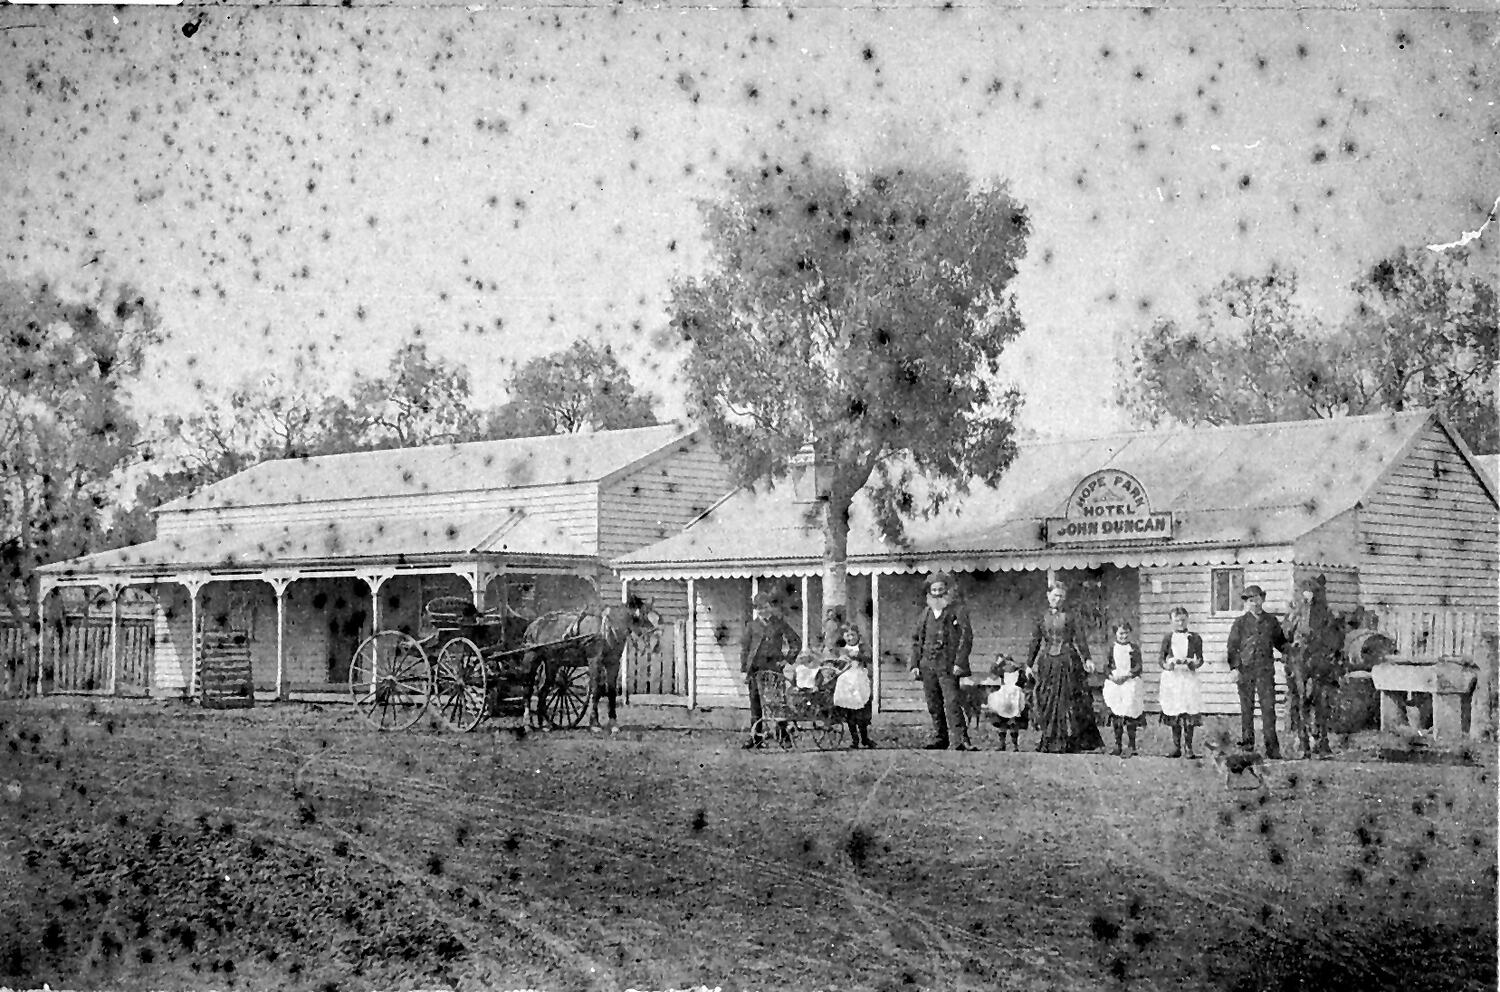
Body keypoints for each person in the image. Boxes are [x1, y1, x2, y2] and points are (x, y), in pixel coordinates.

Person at [1025, 582, 1105, 754]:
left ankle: (1071, 741)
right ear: (1048, 596)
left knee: (1069, 701)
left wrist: (1088, 658)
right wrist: (1029, 664)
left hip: (1068, 661)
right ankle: (1050, 740)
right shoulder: (1041, 617)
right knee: (1048, 701)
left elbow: (1080, 638)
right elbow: (1035, 641)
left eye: (1061, 596)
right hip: (1048, 663)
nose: (1058, 599)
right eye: (1054, 595)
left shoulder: (1071, 616)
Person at [908, 572, 975, 751]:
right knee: (933, 703)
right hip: (927, 664)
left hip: (948, 665)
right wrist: (914, 664)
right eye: (934, 590)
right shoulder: (926, 613)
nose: (937, 593)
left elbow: (965, 637)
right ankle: (941, 737)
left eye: (941, 590)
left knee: (952, 701)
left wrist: (959, 663)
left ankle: (961, 739)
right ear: (929, 592)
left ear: (947, 590)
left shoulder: (957, 610)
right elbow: (916, 639)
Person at [1282, 575, 1343, 759]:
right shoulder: (1295, 611)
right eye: (1306, 591)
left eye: (1312, 591)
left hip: (1319, 660)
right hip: (1300, 661)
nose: (1309, 595)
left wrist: (1328, 649)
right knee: (1301, 699)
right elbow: (1285, 634)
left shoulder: (1325, 613)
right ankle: (1303, 742)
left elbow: (1335, 638)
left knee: (1321, 700)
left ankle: (1322, 741)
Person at [1225, 584, 1288, 759]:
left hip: (1265, 671)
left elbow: (1281, 643)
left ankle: (1272, 749)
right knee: (1247, 709)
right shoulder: (1240, 623)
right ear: (1246, 603)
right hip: (1245, 671)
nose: (1255, 603)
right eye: (1251, 601)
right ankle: (1248, 746)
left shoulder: (1271, 621)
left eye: (1257, 599)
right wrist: (1234, 668)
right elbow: (1232, 647)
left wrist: (1291, 651)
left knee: (1269, 710)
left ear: (1263, 599)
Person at [740, 590, 801, 749]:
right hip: (755, 669)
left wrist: (787, 659)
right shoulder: (751, 626)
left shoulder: (779, 623)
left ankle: (784, 736)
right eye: (759, 608)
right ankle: (755, 737)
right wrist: (743, 670)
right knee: (756, 705)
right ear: (756, 609)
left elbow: (796, 642)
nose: (763, 611)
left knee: (777, 703)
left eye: (765, 607)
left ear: (770, 607)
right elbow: (745, 649)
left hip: (774, 668)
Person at [1157, 606, 1205, 759]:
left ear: (1188, 620)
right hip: (1173, 678)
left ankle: (1188, 747)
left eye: (1183, 620)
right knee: (1175, 711)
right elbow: (1161, 659)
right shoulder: (1168, 638)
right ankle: (1176, 746)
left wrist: (1194, 664)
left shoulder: (1195, 637)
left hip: (1188, 677)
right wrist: (1167, 666)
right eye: (1176, 620)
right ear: (1171, 621)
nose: (1180, 623)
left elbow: (1200, 659)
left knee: (1188, 711)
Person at [1102, 621, 1146, 757]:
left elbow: (1139, 666)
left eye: (1126, 633)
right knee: (1117, 713)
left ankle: (1131, 744)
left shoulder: (1134, 648)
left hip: (1130, 682)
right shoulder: (1112, 648)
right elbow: (1106, 666)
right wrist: (1111, 677)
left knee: (1130, 713)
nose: (1124, 636)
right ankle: (1117, 744)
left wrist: (1128, 675)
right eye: (1121, 633)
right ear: (1115, 634)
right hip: (1116, 683)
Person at [832, 624, 875, 749]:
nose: (850, 638)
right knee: (850, 711)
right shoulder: (841, 649)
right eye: (847, 635)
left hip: (859, 677)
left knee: (861, 710)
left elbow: (869, 657)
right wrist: (840, 659)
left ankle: (865, 738)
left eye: (853, 635)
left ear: (858, 636)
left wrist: (857, 655)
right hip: (846, 680)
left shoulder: (862, 647)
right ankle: (854, 739)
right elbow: (836, 663)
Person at [984, 654, 1033, 752]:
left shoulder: (1020, 672)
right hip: (1004, 697)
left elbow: (1031, 679)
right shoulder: (1002, 672)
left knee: (1014, 722)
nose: (1009, 665)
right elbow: (992, 673)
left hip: (1016, 698)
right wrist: (998, 662)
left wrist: (1025, 667)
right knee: (1002, 722)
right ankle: (1002, 744)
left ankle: (1015, 746)